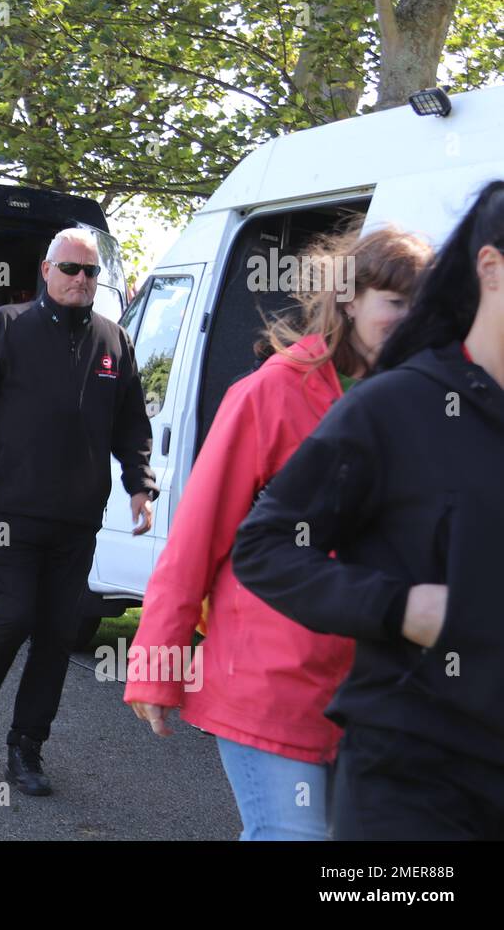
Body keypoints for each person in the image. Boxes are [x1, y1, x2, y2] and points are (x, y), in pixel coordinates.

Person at [124, 227, 432, 840]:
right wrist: (156, 662)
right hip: (268, 675)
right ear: (348, 299)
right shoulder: (270, 392)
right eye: (395, 302)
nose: (410, 319)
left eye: (423, 306)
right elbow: (197, 536)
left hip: (372, 690)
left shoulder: (421, 403)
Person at [232, 183, 504, 840]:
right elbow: (264, 545)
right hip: (416, 782)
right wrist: (401, 608)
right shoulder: (397, 407)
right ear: (491, 270)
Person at [0, 227, 157, 796]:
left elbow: (132, 422)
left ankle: (26, 749)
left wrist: (140, 485)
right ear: (46, 269)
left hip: (77, 516)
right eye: (70, 269)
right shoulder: (6, 327)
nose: (80, 280)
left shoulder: (114, 340)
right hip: (10, 509)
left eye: (89, 273)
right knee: (11, 618)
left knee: (58, 633)